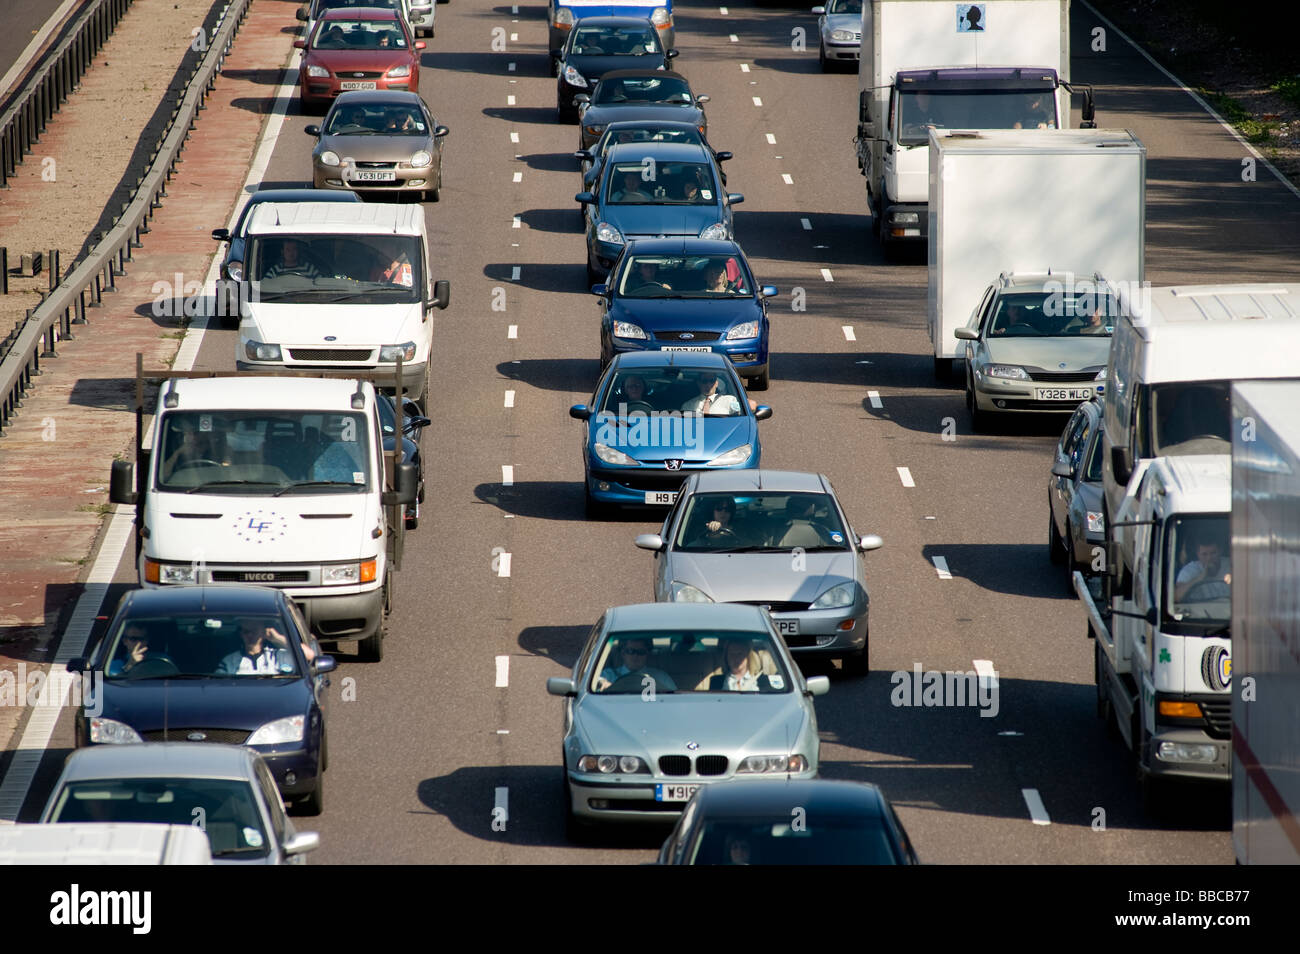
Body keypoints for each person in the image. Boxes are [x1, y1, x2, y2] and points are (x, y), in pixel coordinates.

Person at [217, 619, 312, 675]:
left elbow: (309, 655)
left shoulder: (279, 656)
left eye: (254, 631)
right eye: (246, 631)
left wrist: (278, 639)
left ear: (264, 632)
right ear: (241, 634)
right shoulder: (230, 661)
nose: (250, 635)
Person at [594, 637, 676, 691]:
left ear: (647, 655)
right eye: (630, 651)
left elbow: (674, 698)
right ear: (623, 654)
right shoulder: (608, 675)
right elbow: (592, 683)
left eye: (641, 652)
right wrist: (601, 682)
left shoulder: (661, 677)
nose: (635, 656)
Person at [708, 636, 775, 691]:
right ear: (726, 657)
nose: (735, 658)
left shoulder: (763, 681)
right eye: (732, 654)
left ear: (748, 656)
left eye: (740, 654)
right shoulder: (715, 682)